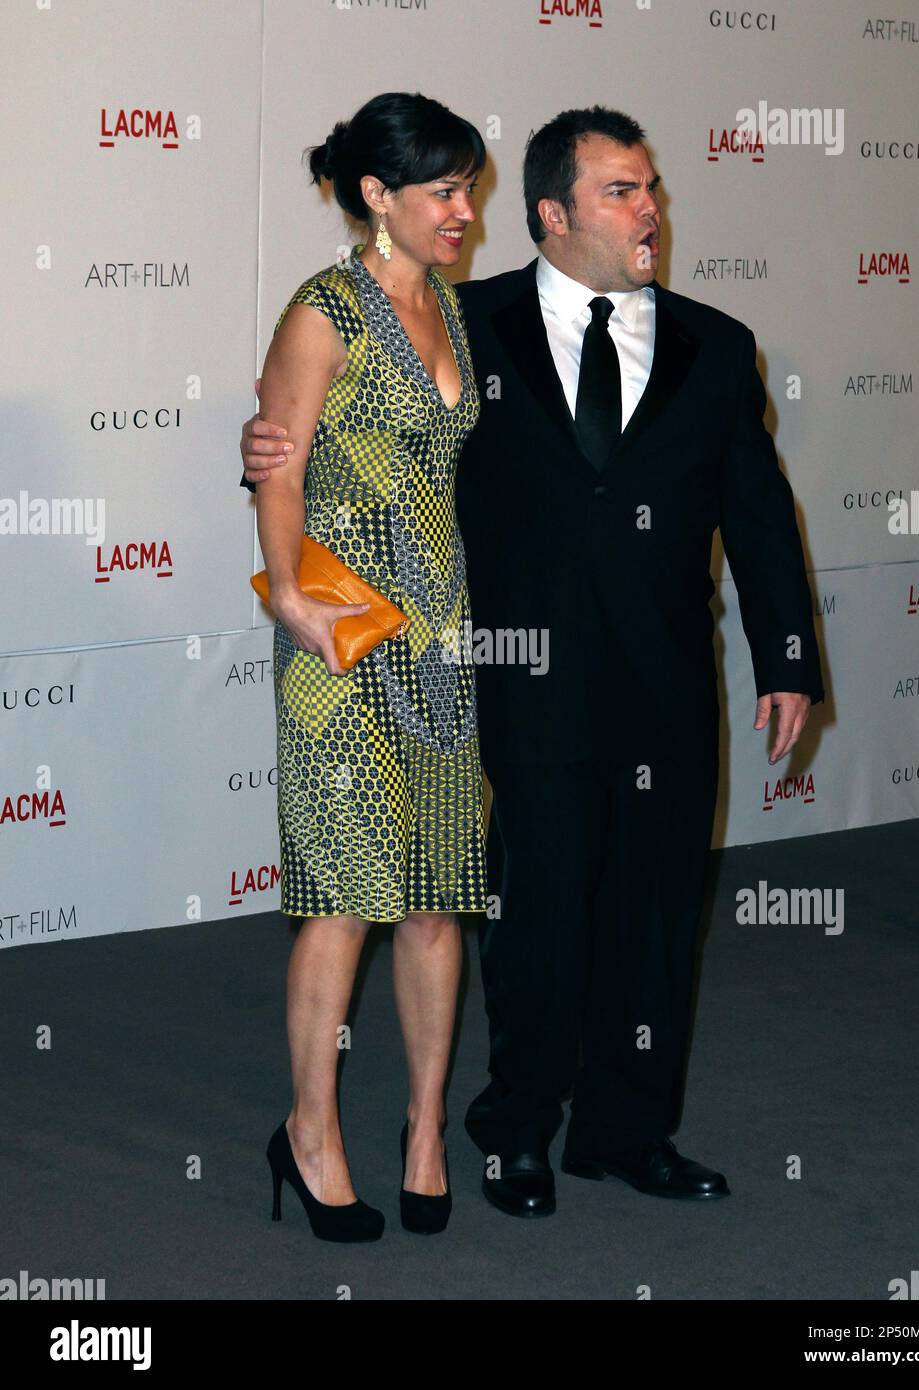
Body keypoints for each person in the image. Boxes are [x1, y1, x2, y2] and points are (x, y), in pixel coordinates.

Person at [242, 105, 825, 1222]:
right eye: (620, 190)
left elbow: (756, 515)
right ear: (552, 215)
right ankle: (513, 1133)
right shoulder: (473, 321)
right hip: (510, 670)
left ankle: (627, 1131)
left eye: (650, 187)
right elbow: (350, 423)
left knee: (654, 916)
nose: (648, 208)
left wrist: (786, 655)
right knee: (531, 909)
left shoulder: (714, 344)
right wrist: (262, 449)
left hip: (661, 679)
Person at [246, 92, 488, 1242]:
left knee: (439, 897)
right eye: (441, 190)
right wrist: (291, 593)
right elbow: (276, 459)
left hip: (441, 637)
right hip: (342, 640)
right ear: (375, 196)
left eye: (469, 186)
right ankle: (310, 1133)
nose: (463, 209)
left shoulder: (448, 302)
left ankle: (426, 1128)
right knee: (342, 898)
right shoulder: (323, 309)